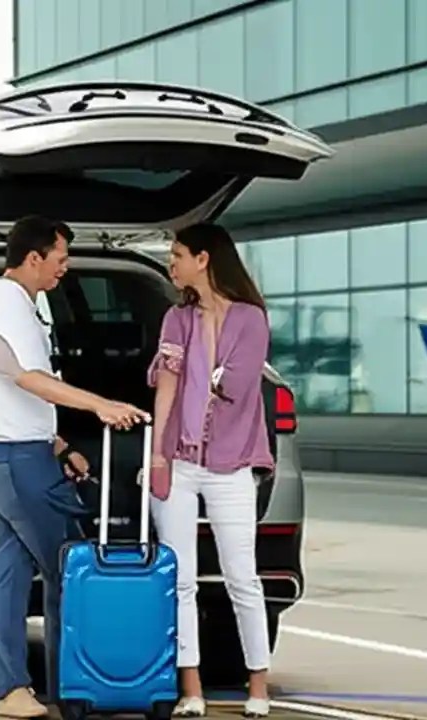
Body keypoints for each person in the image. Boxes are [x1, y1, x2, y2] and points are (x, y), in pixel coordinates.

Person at [0, 214, 151, 719]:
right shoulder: (8, 305)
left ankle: (14, 689)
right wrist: (100, 405)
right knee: (70, 570)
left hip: (3, 455)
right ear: (34, 258)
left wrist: (60, 445)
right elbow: (26, 378)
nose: (65, 268)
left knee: (11, 570)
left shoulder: (5, 303)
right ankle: (74, 686)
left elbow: (12, 392)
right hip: (17, 460)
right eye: (60, 259)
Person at [145, 223, 276, 719]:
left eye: (177, 255)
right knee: (180, 579)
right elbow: (168, 387)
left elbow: (235, 385)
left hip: (231, 462)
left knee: (243, 577)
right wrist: (158, 456)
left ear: (203, 259)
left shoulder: (250, 319)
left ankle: (258, 686)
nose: (171, 264)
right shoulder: (176, 319)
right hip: (179, 461)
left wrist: (202, 373)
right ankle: (191, 688)